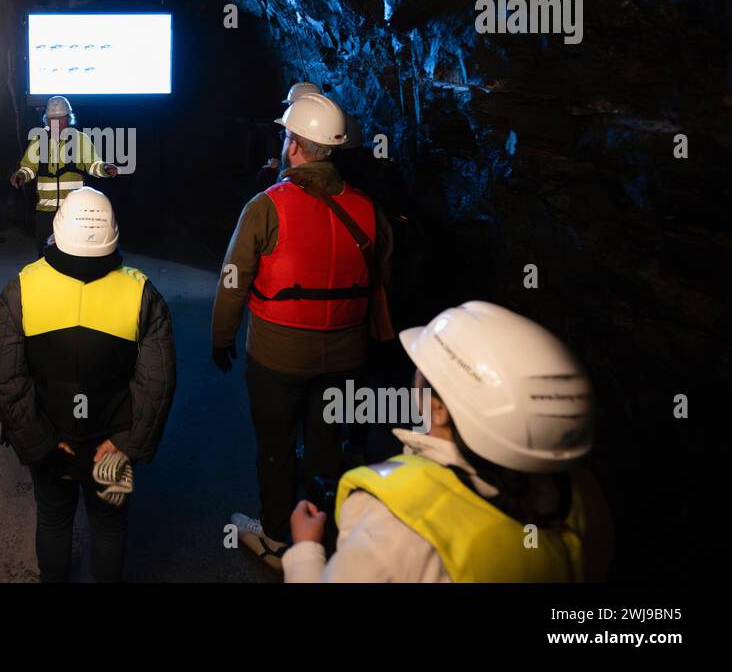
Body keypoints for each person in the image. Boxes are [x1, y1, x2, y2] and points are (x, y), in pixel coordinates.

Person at [285, 302, 613, 582]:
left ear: (439, 410)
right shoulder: (583, 496)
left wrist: (305, 550)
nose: (414, 375)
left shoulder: (397, 528)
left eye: (422, 371)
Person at [212, 92, 393, 571]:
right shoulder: (370, 210)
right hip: (347, 355)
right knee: (327, 445)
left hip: (278, 355)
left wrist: (221, 336)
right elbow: (383, 282)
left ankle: (277, 540)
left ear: (293, 145)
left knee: (274, 448)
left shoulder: (265, 206)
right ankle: (328, 536)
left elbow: (234, 280)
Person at [0, 188, 175, 582]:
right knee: (110, 525)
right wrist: (126, 442)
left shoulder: (21, 288)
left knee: (54, 519)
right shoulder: (143, 293)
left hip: (51, 439)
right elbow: (157, 383)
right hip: (113, 442)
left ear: (56, 232)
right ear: (114, 233)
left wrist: (41, 443)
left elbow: (5, 380)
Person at [9, 95, 118, 256]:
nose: (57, 123)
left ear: (68, 119)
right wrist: (21, 175)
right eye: (53, 119)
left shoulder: (80, 139)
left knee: (73, 254)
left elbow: (93, 164)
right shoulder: (39, 141)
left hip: (74, 210)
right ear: (46, 120)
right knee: (45, 257)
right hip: (46, 211)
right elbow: (29, 167)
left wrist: (105, 168)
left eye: (61, 119)